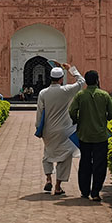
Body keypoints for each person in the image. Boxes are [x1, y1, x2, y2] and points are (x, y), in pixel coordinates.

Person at [35, 61, 85, 196]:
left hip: (48, 129)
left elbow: (39, 112)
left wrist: (38, 128)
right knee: (65, 156)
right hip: (65, 130)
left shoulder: (43, 93)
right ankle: (58, 186)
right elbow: (81, 82)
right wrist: (71, 69)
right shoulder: (66, 90)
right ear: (61, 79)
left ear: (50, 78)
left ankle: (48, 178)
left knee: (48, 153)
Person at [69, 70, 112, 201]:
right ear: (97, 80)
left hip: (84, 134)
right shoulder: (104, 95)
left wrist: (77, 120)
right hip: (100, 136)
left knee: (85, 162)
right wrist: (104, 119)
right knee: (99, 164)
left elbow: (72, 111)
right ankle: (95, 192)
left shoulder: (80, 95)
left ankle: (84, 191)